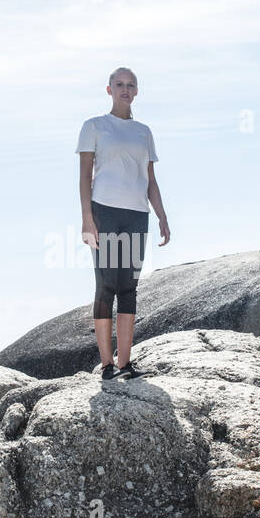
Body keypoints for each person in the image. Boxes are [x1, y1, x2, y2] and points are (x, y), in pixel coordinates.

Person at [75, 68, 170, 381]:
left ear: (137, 91)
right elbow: (84, 176)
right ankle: (106, 366)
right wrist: (88, 217)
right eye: (119, 85)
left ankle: (125, 364)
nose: (125, 90)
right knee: (106, 286)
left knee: (129, 287)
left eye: (131, 85)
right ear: (109, 89)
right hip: (105, 211)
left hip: (136, 214)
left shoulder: (144, 132)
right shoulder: (94, 126)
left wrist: (162, 215)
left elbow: (151, 180)